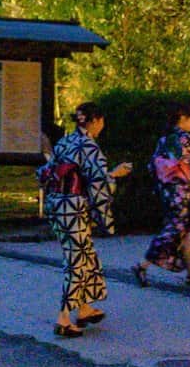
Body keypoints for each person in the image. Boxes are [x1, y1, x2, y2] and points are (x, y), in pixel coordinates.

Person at [40, 101, 132, 338]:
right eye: (101, 121)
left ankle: (84, 308)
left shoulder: (65, 141)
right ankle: (63, 317)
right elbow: (98, 179)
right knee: (78, 261)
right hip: (73, 204)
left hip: (56, 203)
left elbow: (50, 169)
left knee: (86, 255)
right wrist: (115, 173)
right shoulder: (88, 146)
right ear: (95, 121)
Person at [131, 100, 190, 288]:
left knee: (184, 230)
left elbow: (153, 165)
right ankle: (142, 265)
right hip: (181, 190)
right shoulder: (185, 138)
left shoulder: (165, 139)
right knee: (176, 229)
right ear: (184, 118)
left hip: (166, 190)